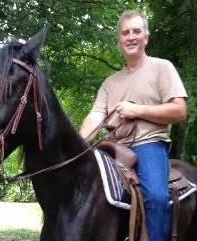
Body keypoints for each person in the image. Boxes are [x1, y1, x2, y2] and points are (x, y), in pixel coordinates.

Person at [79, 9, 187, 241]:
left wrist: (136, 110)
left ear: (146, 38)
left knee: (156, 198)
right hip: (111, 147)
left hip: (148, 144)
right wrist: (79, 145)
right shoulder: (110, 82)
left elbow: (179, 110)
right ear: (119, 40)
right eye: (126, 32)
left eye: (137, 31)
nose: (131, 37)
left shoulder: (162, 67)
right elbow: (95, 116)